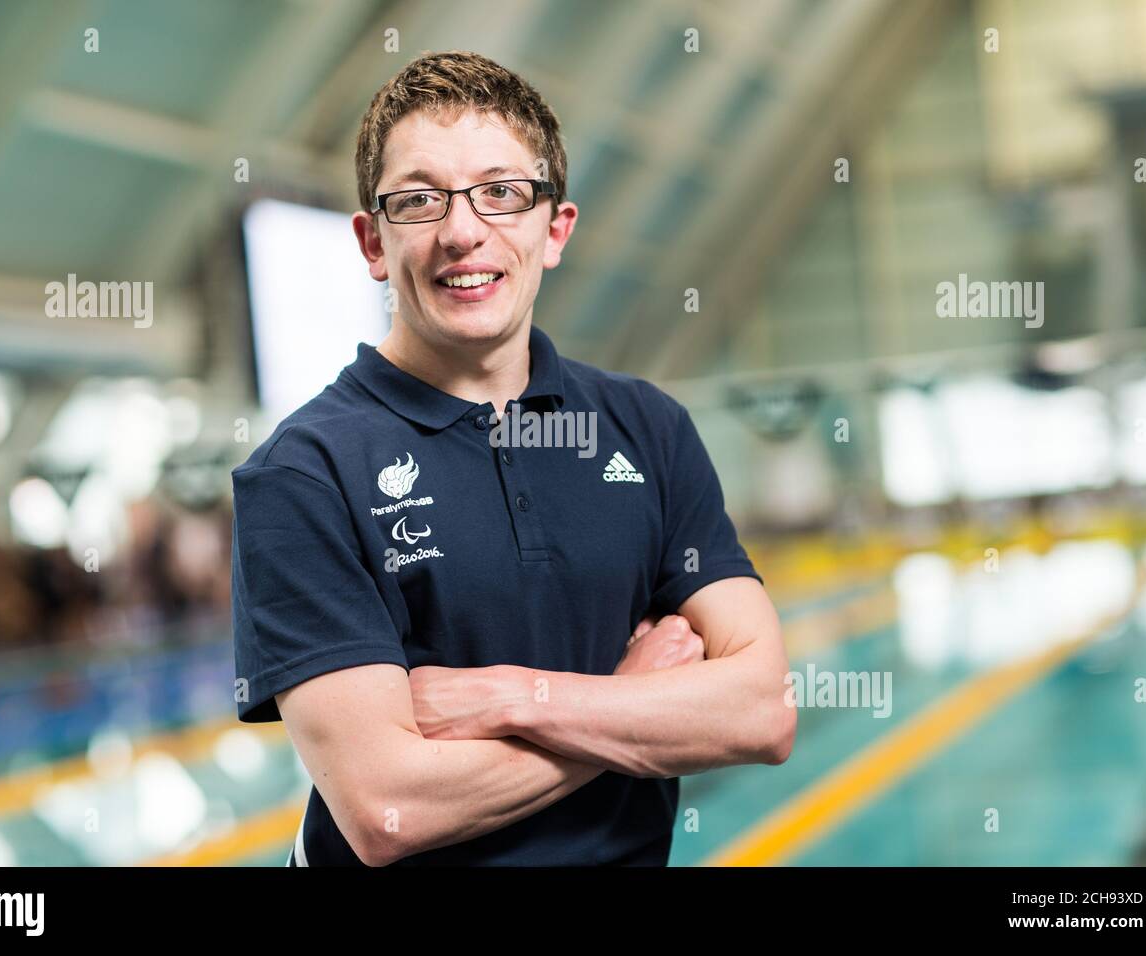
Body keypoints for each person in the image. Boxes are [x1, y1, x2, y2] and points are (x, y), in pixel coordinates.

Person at [231, 50, 794, 866]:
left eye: (502, 193)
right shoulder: (304, 473)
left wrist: (507, 697)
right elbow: (388, 808)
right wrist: (636, 701)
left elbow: (763, 711)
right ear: (373, 243)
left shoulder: (648, 429)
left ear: (554, 228)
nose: (464, 232)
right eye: (420, 200)